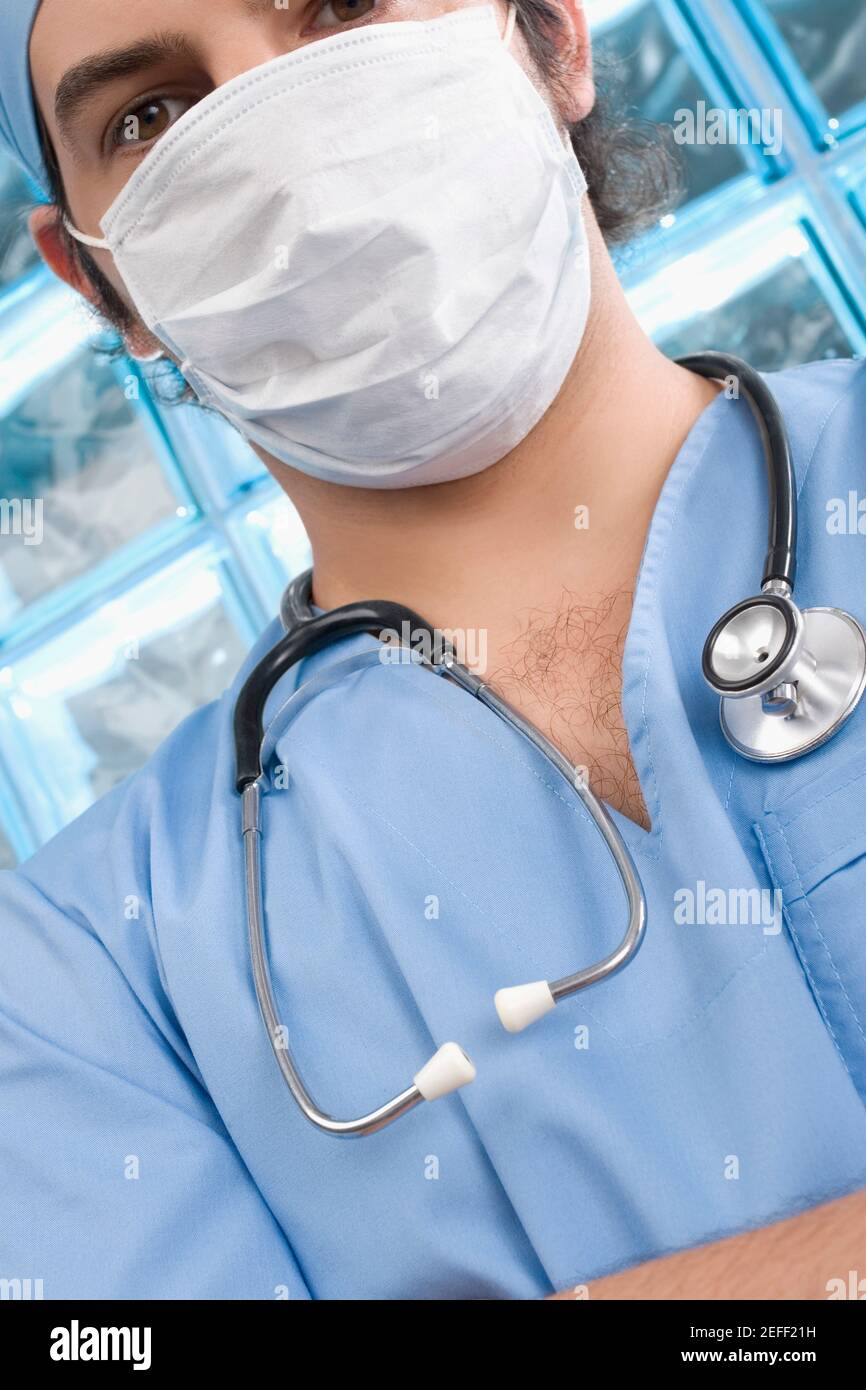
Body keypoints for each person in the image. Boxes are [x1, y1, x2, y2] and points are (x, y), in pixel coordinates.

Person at [1, 0, 865, 1302]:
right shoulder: (82, 973)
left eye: (339, 7)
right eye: (151, 115)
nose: (270, 134)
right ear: (99, 277)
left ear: (553, 35)